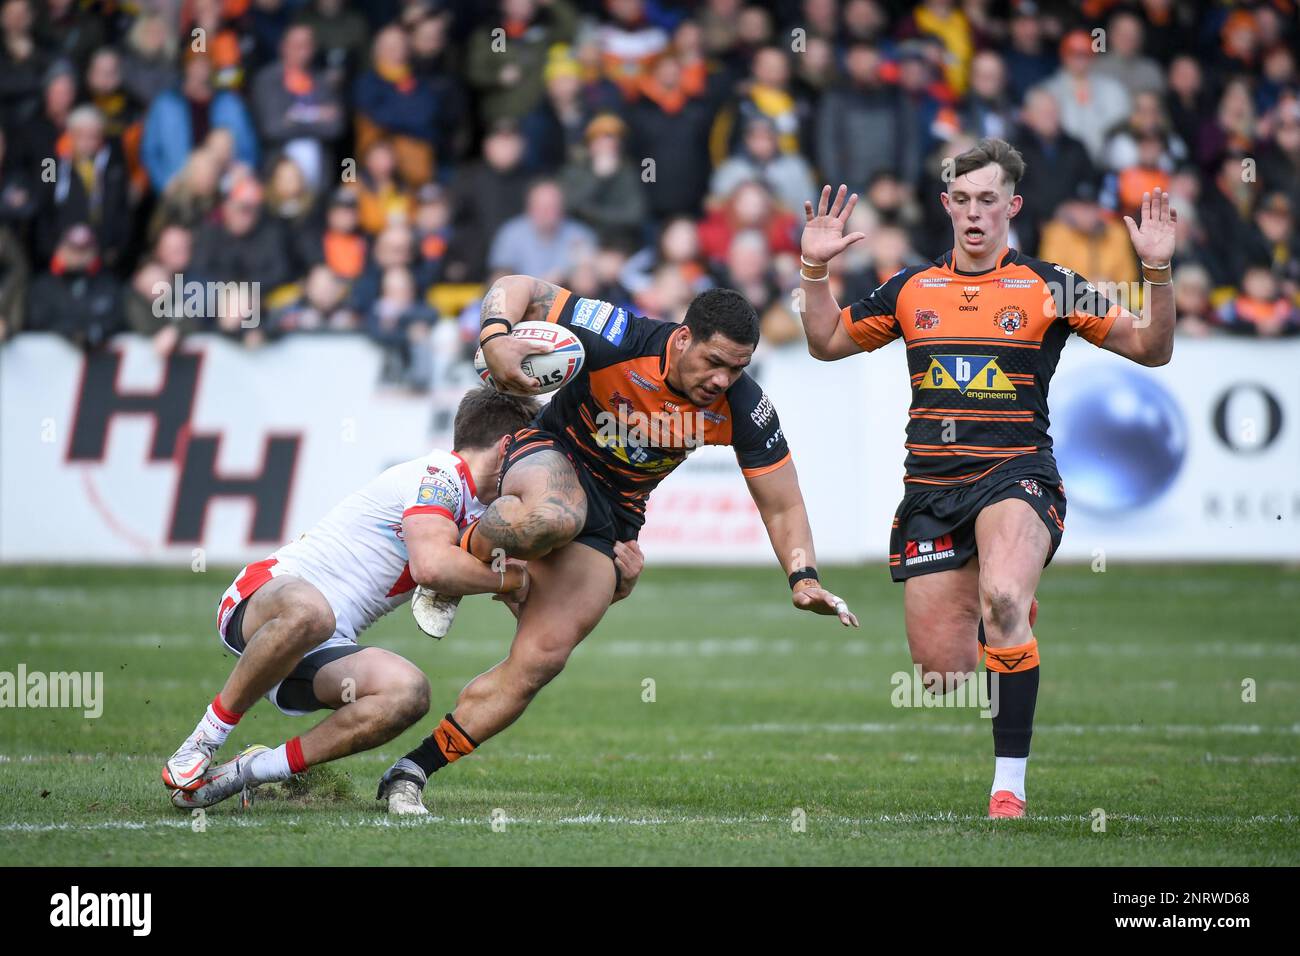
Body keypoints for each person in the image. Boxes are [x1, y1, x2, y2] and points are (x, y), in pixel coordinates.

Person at [374, 275, 858, 814]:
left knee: (541, 659)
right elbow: (519, 287)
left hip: (617, 514)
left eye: (737, 368)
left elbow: (782, 503)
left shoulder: (743, 406)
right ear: (681, 340)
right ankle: (457, 558)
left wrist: (804, 576)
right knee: (556, 513)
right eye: (714, 361)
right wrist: (495, 337)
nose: (723, 379)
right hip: (551, 453)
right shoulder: (622, 335)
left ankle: (413, 768)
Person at [794, 138, 1177, 818]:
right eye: (963, 200)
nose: (974, 213)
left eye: (989, 200)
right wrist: (813, 270)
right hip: (933, 491)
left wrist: (1157, 271)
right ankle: (1006, 607)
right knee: (942, 677)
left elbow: (1151, 347)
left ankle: (1009, 787)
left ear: (1012, 206)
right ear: (946, 204)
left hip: (1017, 474)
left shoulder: (1050, 285)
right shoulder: (912, 287)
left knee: (1000, 599)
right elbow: (825, 344)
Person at [163, 388, 542, 809]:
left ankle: (247, 773)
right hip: (267, 597)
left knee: (408, 692)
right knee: (312, 613)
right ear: (509, 446)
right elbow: (432, 567)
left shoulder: (483, 514)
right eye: (533, 450)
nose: (537, 467)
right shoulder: (439, 475)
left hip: (318, 649)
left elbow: (530, 599)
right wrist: (510, 581)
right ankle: (200, 743)